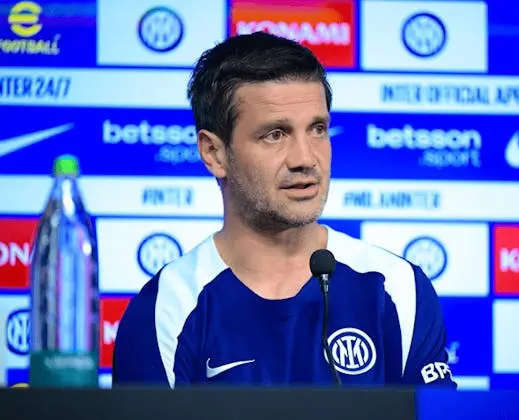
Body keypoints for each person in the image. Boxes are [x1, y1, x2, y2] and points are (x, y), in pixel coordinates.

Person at [113, 32, 456, 389]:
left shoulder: (397, 288)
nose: (305, 158)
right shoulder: (167, 307)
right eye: (275, 134)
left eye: (317, 129)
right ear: (214, 153)